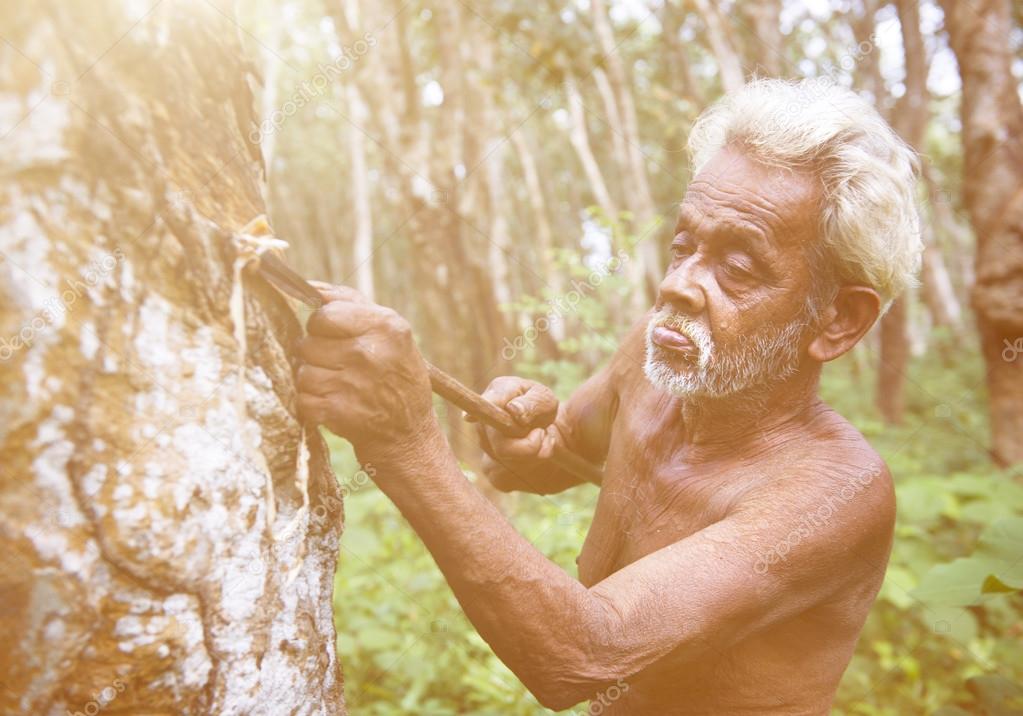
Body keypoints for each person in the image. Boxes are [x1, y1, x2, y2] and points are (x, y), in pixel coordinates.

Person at [295, 78, 922, 715]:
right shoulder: (655, 360)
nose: (678, 285)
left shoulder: (835, 494)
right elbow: (553, 452)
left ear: (838, 319)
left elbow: (584, 656)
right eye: (683, 246)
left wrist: (404, 443)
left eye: (737, 268)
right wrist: (519, 435)